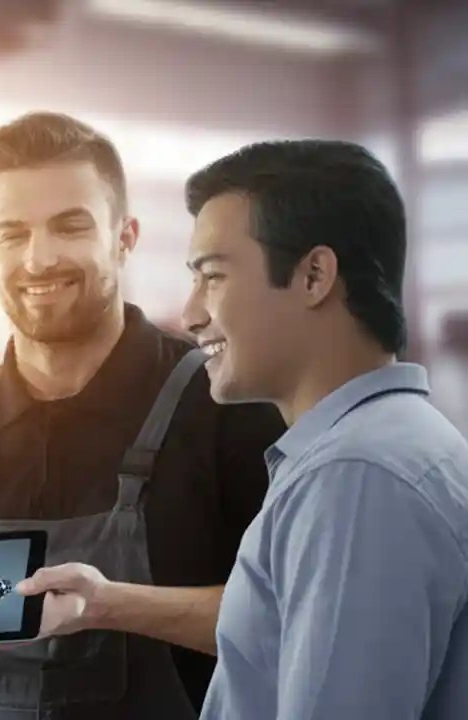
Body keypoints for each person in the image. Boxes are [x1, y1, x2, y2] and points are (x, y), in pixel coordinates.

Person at [0, 112, 285, 718]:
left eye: (69, 227)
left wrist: (108, 605)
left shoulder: (224, 405)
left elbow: (292, 618)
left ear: (124, 237)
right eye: (13, 234)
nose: (39, 259)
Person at [178, 140, 468, 719]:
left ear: (314, 275)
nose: (190, 315)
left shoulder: (356, 477)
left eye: (213, 277)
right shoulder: (384, 447)